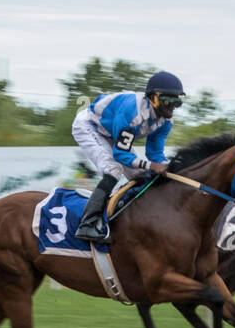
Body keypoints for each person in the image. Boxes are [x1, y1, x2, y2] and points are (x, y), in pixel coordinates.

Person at [71, 71, 184, 244]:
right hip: (90, 126)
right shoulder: (133, 114)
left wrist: (169, 168)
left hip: (111, 132)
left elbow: (154, 154)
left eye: (178, 102)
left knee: (139, 176)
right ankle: (87, 224)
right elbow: (120, 154)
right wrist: (152, 166)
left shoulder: (166, 121)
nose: (173, 107)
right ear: (153, 97)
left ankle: (131, 220)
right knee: (113, 169)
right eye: (169, 100)